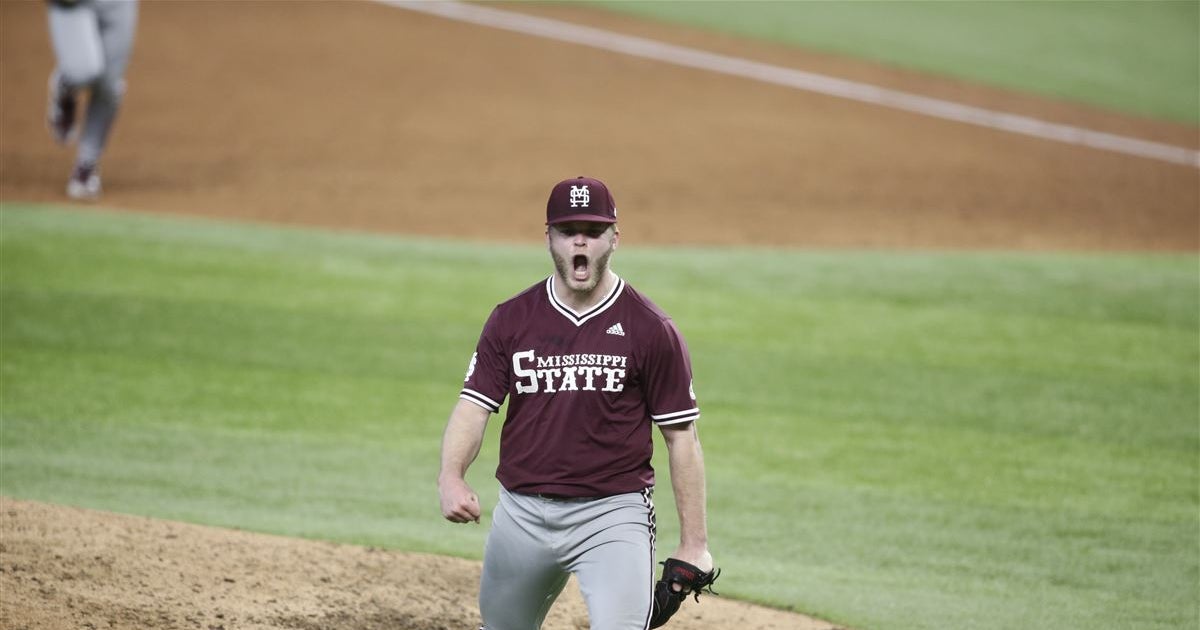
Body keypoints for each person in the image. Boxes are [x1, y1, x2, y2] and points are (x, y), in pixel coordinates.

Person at [438, 176, 714, 629]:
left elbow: (682, 437)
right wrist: (451, 477)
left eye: (593, 230)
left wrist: (694, 544)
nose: (579, 242)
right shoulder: (511, 319)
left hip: (612, 515)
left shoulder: (650, 328)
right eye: (568, 231)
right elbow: (474, 404)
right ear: (548, 237)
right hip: (522, 513)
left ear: (615, 238)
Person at [44, 0, 139, 201]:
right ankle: (66, 85)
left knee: (109, 87)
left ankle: (86, 166)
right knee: (82, 71)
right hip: (73, 4)